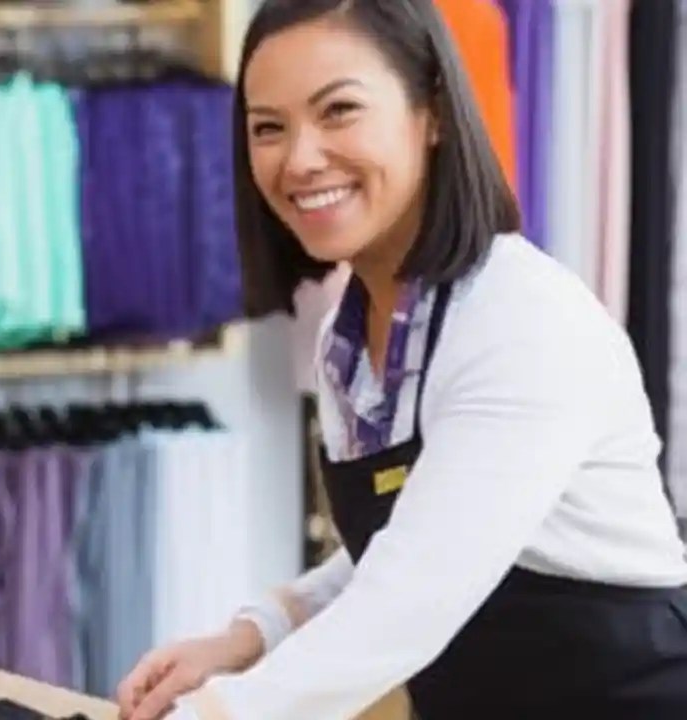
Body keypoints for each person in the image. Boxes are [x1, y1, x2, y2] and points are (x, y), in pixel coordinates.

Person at [115, 1, 687, 719]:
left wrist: (216, 713)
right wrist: (250, 634)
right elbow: (405, 537)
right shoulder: (347, 339)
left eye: (339, 111)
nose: (298, 159)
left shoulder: (522, 323)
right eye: (269, 128)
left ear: (433, 112)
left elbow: (415, 592)